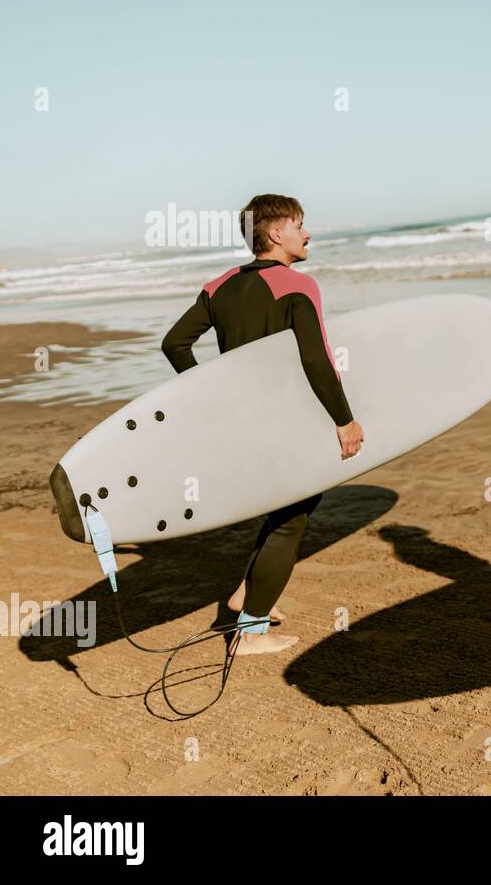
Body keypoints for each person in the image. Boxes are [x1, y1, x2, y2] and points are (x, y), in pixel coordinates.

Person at [161, 194, 365, 655]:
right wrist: (344, 419)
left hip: (242, 423)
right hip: (283, 421)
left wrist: (213, 390)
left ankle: (244, 594)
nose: (307, 233)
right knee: (292, 517)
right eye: (299, 225)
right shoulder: (297, 284)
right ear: (276, 234)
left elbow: (175, 344)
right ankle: (250, 631)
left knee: (285, 506)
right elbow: (317, 358)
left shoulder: (219, 286)